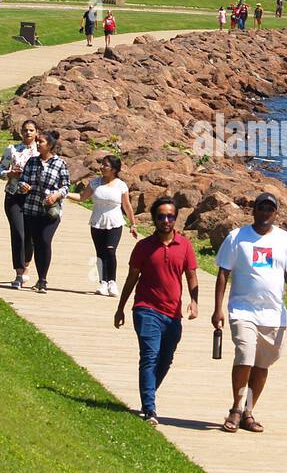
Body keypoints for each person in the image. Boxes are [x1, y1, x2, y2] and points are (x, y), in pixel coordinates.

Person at [213, 192, 287, 433]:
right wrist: (218, 308)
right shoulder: (237, 237)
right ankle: (235, 409)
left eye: (270, 209)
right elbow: (223, 273)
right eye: (261, 208)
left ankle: (248, 412)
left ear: (276, 214)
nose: (265, 213)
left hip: (274, 314)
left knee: (262, 365)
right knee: (244, 355)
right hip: (242, 310)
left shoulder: (285, 240)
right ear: (253, 210)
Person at [114, 195, 198, 425]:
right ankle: (150, 409)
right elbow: (132, 278)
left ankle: (147, 395)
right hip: (146, 309)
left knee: (165, 359)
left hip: (173, 314)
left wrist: (194, 301)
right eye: (161, 216)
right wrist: (120, 308)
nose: (166, 221)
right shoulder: (144, 247)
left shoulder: (186, 246)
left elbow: (191, 275)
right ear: (154, 219)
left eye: (170, 216)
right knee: (149, 356)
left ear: (175, 219)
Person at [18, 129, 70, 293]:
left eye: (41, 142)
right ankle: (39, 280)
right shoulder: (31, 162)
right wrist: (23, 186)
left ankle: (43, 279)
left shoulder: (60, 163)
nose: (37, 144)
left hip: (50, 211)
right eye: (37, 141)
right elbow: (23, 180)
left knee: (45, 241)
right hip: (32, 208)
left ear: (50, 145)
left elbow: (66, 186)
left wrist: (56, 195)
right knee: (35, 242)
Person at [83, 154, 138, 296]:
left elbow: (127, 205)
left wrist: (133, 224)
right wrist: (62, 194)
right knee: (100, 254)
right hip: (97, 222)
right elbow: (82, 197)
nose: (102, 167)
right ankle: (103, 282)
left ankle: (112, 282)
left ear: (114, 169)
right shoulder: (95, 183)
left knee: (110, 251)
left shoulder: (121, 185)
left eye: (105, 165)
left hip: (114, 223)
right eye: (102, 164)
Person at [0, 119, 39, 288]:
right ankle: (19, 272)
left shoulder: (40, 151)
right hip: (13, 196)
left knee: (30, 235)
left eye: (31, 130)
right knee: (18, 233)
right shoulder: (12, 149)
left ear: (36, 132)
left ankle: (27, 265)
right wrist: (9, 173)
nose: (28, 133)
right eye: (25, 130)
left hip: (33, 198)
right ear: (21, 132)